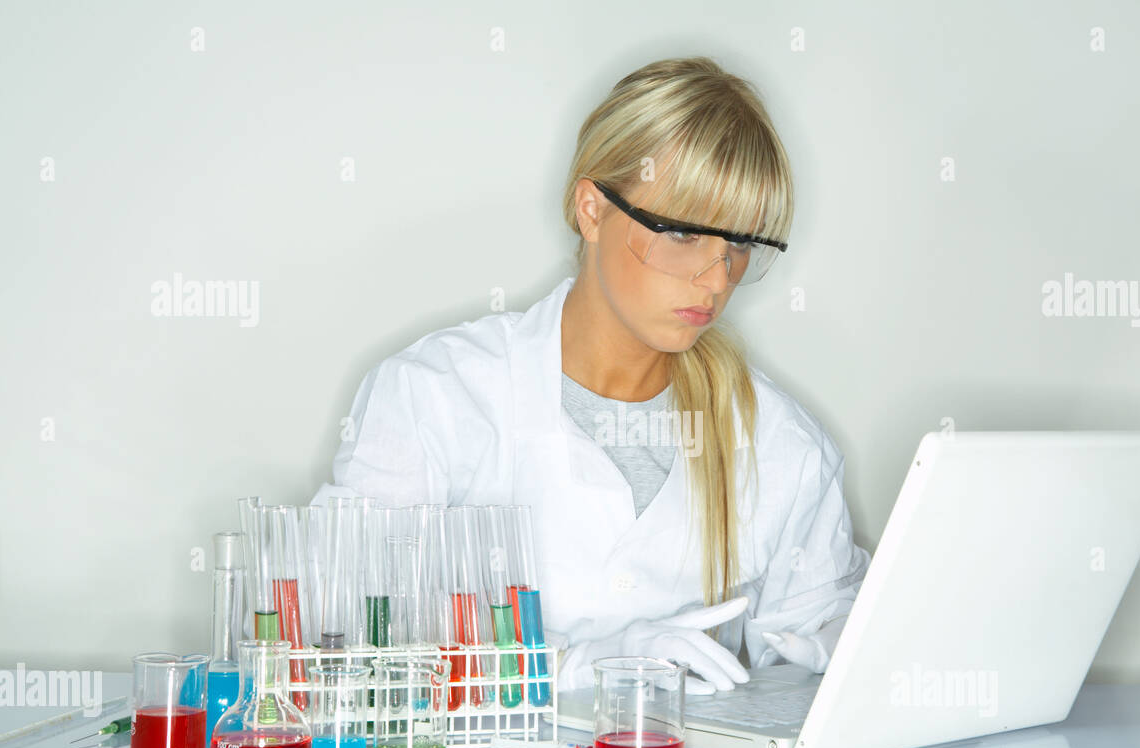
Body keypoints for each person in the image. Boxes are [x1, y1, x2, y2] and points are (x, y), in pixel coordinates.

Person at [310, 56, 870, 694]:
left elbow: (823, 634)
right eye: (684, 233)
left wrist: (849, 645)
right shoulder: (435, 396)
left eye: (738, 245)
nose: (716, 280)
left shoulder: (782, 444)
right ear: (592, 209)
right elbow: (339, 633)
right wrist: (584, 664)